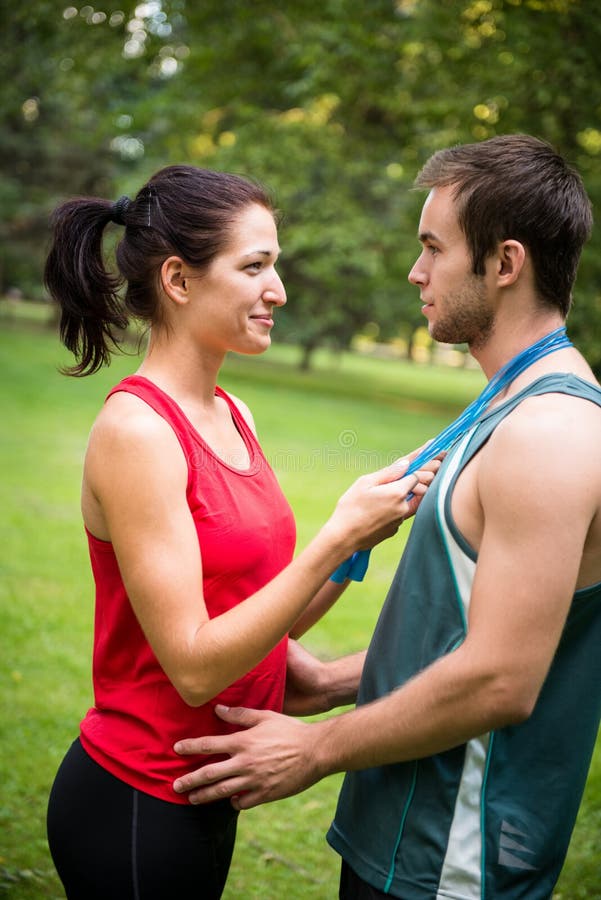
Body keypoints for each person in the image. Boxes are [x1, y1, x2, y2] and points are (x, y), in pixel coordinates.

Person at [172, 136, 601, 899]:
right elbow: (473, 629)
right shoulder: (502, 402)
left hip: (453, 856)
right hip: (403, 834)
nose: (415, 272)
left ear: (504, 265)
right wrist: (336, 681)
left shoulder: (550, 433)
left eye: (433, 248)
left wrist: (315, 750)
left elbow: (501, 678)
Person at [43, 165, 438, 900]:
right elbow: (195, 666)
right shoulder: (137, 432)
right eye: (254, 266)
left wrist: (360, 542)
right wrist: (333, 536)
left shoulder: (232, 414)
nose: (278, 290)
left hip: (206, 793)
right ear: (179, 281)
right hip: (137, 798)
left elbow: (257, 621)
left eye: (275, 265)